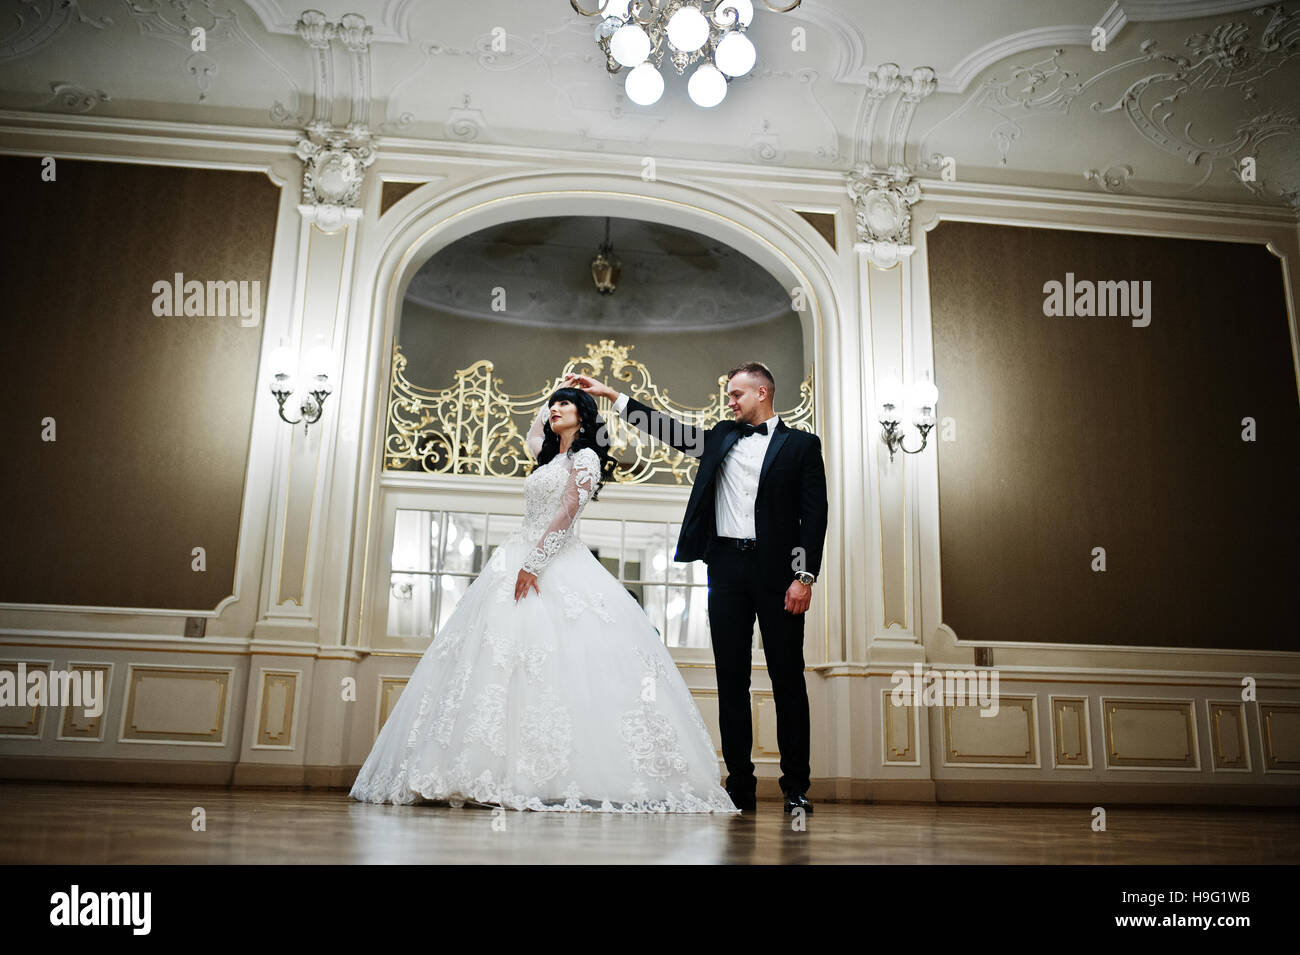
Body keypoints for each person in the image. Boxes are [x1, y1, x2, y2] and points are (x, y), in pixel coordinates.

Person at [349, 386, 739, 814]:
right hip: (514, 555)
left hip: (552, 559)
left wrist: (535, 562)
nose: (554, 409)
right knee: (497, 661)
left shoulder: (587, 458)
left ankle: (555, 774)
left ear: (584, 415)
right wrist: (558, 388)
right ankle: (476, 770)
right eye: (553, 403)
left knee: (558, 660)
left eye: (565, 404)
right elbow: (534, 430)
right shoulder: (548, 457)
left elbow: (568, 511)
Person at [566, 363, 827, 814]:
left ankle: (795, 787)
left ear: (763, 392)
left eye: (737, 394)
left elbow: (814, 515)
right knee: (731, 679)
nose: (730, 401)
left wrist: (803, 577)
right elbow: (668, 430)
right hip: (726, 567)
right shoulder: (722, 437)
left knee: (787, 678)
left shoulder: (802, 445)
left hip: (778, 572)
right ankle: (740, 786)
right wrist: (613, 396)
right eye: (729, 394)